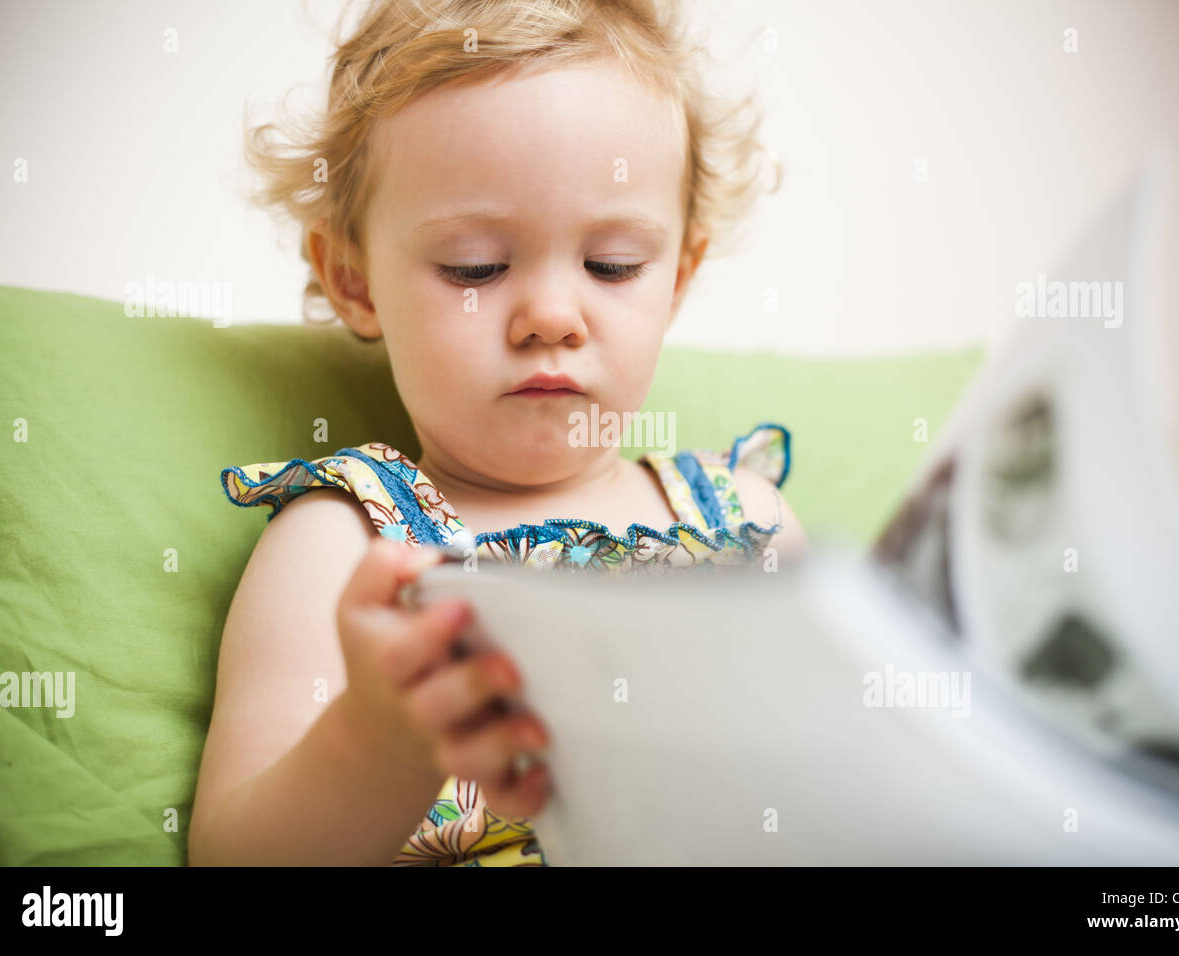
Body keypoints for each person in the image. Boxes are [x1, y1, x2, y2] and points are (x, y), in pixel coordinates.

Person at [189, 0, 807, 867]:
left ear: (678, 277)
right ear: (354, 281)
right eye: (474, 266)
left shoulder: (750, 524)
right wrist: (377, 743)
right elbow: (231, 858)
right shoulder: (349, 549)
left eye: (613, 266)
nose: (552, 316)